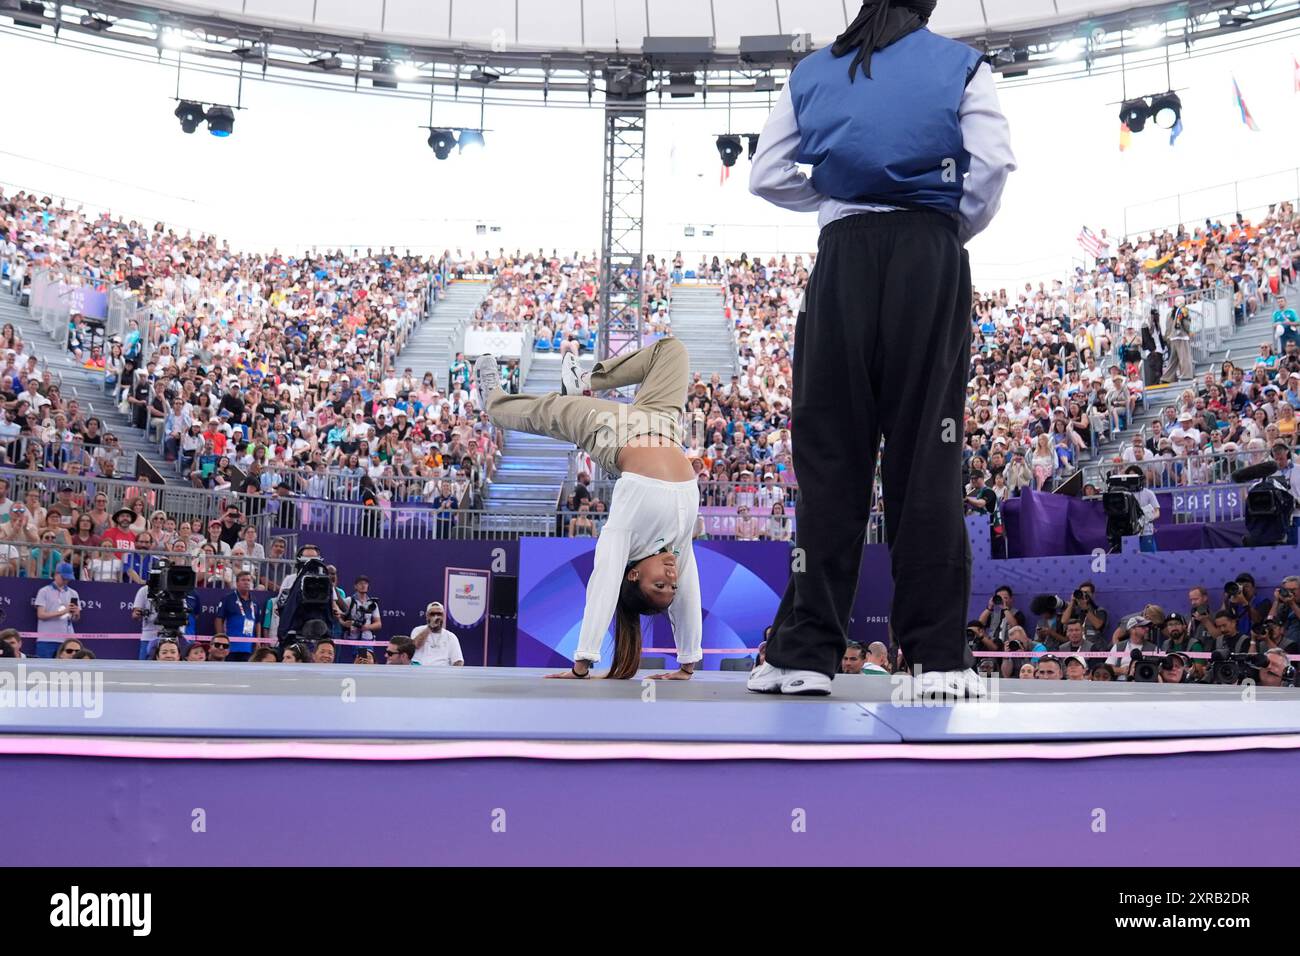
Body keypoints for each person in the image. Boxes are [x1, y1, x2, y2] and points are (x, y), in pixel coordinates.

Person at [747, 0, 1014, 698]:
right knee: (927, 455)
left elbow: (767, 173)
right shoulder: (962, 66)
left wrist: (840, 195)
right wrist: (940, 226)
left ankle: (806, 653)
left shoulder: (812, 71)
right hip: (929, 252)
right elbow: (989, 169)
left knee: (831, 456)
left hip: (843, 258)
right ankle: (935, 659)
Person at [477, 341, 703, 682]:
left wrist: (582, 662)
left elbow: (602, 585)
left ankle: (493, 403)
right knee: (672, 351)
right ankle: (584, 380)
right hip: (664, 425)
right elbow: (690, 593)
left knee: (553, 409)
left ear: (633, 575)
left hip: (613, 432)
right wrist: (688, 662)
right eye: (671, 586)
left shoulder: (624, 535)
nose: (673, 578)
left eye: (660, 584)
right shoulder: (676, 545)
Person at [34, 562, 81, 657]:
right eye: (63, 578)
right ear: (56, 574)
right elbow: (41, 615)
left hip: (67, 640)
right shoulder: (44, 591)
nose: (66, 581)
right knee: (43, 669)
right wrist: (63, 611)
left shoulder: (73, 593)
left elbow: (76, 618)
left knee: (69, 670)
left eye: (68, 579)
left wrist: (76, 613)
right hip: (46, 639)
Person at [215, 570, 261, 662]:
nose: (246, 582)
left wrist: (258, 640)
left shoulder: (255, 601)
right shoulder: (228, 598)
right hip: (231, 646)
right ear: (237, 583)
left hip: (248, 646)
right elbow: (219, 619)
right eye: (243, 580)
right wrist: (221, 639)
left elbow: (258, 622)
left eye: (248, 580)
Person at [411, 601, 464, 666]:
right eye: (432, 614)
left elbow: (458, 661)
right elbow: (415, 646)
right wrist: (430, 627)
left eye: (439, 614)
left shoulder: (451, 636)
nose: (436, 617)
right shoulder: (418, 630)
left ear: (443, 616)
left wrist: (455, 674)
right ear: (427, 616)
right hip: (420, 671)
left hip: (442, 673)